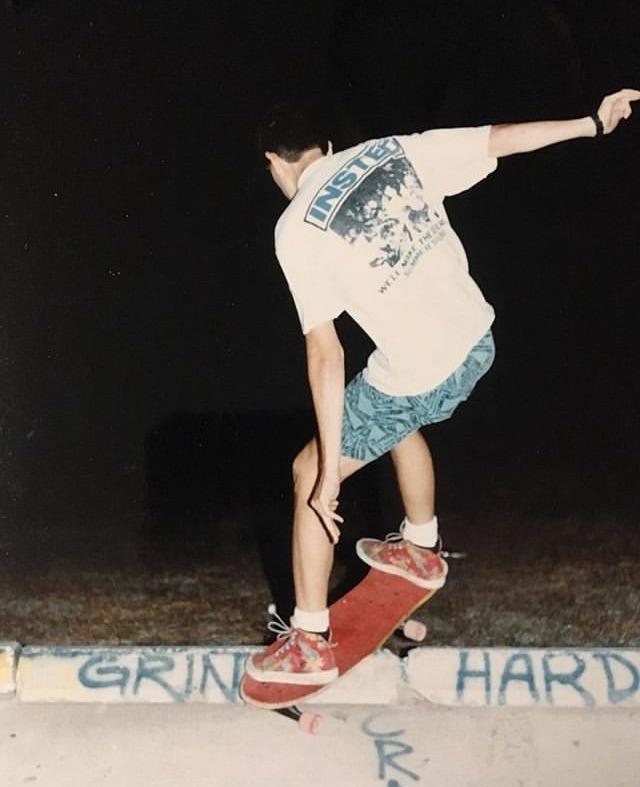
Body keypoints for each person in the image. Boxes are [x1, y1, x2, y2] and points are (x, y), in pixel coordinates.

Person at [246, 88, 639, 686]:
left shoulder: (295, 229)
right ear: (329, 147)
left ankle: (308, 638)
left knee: (309, 472)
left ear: (275, 163)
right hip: (476, 342)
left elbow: (325, 353)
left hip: (421, 369)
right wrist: (591, 122)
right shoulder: (393, 152)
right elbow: (500, 138)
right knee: (388, 398)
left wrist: (327, 474)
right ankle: (420, 543)